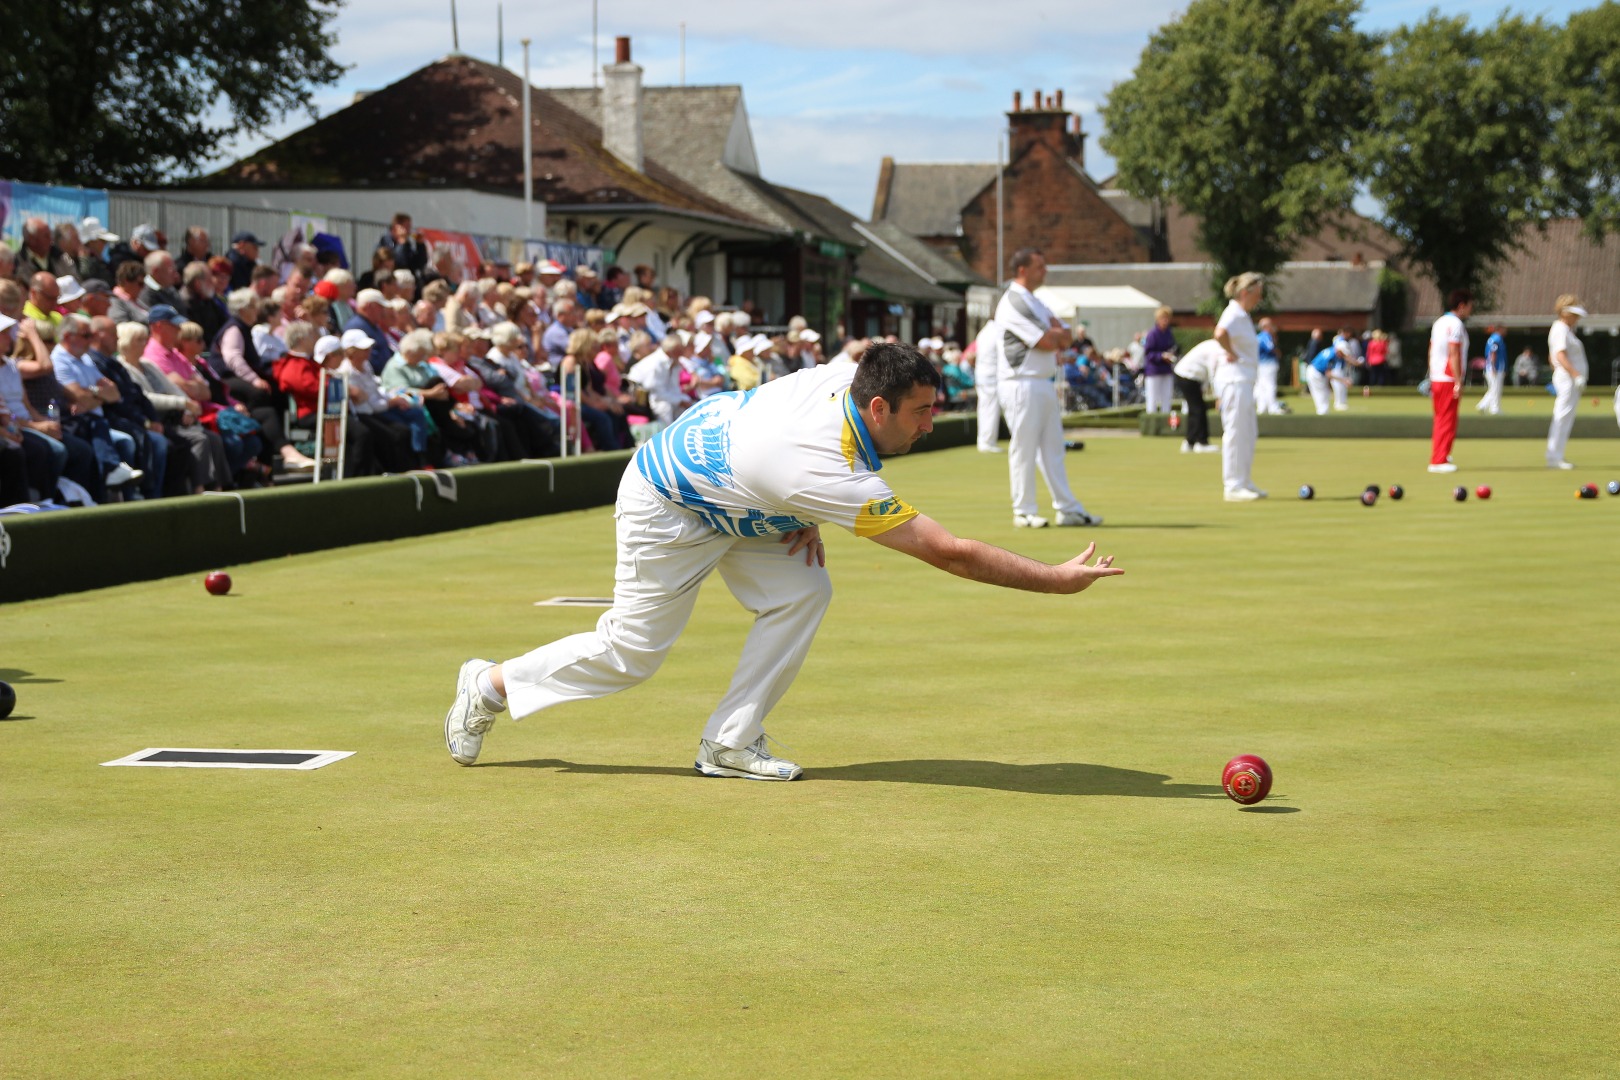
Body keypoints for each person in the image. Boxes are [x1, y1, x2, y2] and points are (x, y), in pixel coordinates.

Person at [441, 343, 1124, 774]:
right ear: (877, 404)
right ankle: (490, 685)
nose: (929, 424)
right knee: (632, 653)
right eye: (920, 412)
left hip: (741, 488)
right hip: (668, 502)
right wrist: (1057, 582)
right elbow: (949, 553)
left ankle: (730, 741)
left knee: (803, 590)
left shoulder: (842, 382)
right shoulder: (819, 468)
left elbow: (796, 462)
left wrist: (797, 510)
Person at [995, 249, 1101, 528]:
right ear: (1022, 270)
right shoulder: (1013, 302)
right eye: (1039, 266)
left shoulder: (1036, 302)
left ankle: (1067, 508)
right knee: (1024, 449)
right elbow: (1046, 339)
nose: (1045, 271)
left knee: (1053, 449)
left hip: (1042, 382)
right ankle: (1024, 511)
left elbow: (1064, 335)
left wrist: (1056, 335)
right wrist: (1054, 335)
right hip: (1021, 382)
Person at [1212, 272, 1267, 501]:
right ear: (1245, 293)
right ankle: (1232, 486)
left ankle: (1244, 481)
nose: (1259, 299)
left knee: (1248, 433)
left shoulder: (1242, 315)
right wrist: (1230, 352)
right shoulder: (1233, 312)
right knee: (1235, 432)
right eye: (1257, 294)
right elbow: (1220, 333)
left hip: (1244, 381)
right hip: (1234, 380)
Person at [1427, 289, 1472, 473]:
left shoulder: (1439, 322)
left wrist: (1430, 374)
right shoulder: (1456, 325)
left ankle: (1442, 454)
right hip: (1448, 378)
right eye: (1470, 306)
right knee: (1447, 419)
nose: (1470, 310)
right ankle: (1438, 461)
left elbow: (1431, 350)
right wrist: (1458, 381)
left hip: (1437, 376)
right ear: (1461, 306)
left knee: (1441, 418)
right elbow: (1454, 353)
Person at [1546, 295, 1588, 470]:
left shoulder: (1566, 330)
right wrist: (1576, 375)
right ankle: (1554, 457)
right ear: (1565, 313)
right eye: (1574, 314)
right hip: (1567, 379)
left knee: (1566, 417)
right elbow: (1559, 355)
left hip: (1567, 378)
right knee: (1562, 416)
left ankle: (1557, 455)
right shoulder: (1560, 329)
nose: (1577, 318)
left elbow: (1552, 356)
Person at [1172, 339, 1221, 454]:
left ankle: (1189, 442)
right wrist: (1218, 396)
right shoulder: (1216, 349)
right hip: (1187, 376)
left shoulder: (1213, 345)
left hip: (1187, 376)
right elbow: (1212, 372)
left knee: (1196, 408)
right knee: (1198, 409)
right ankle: (1201, 442)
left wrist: (1204, 388)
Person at [972, 320, 1002, 452]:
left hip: (984, 375)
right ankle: (987, 442)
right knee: (990, 408)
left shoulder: (984, 332)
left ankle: (985, 441)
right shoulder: (996, 332)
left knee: (985, 408)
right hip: (991, 375)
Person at [1140, 306, 1176, 414]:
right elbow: (1148, 353)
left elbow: (1173, 347)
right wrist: (1161, 356)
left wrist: (1171, 354)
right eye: (1163, 318)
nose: (1165, 321)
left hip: (1166, 369)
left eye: (1167, 318)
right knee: (1152, 398)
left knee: (1167, 397)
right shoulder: (1152, 334)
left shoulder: (1169, 333)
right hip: (1154, 370)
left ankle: (1165, 418)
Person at [1254, 316, 1284, 415]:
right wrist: (1278, 353)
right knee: (1270, 385)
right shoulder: (1265, 336)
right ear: (1266, 326)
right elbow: (1270, 347)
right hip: (1267, 364)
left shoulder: (1257, 336)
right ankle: (1273, 407)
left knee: (1261, 386)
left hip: (1259, 364)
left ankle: (1262, 407)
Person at [1478, 324, 1507, 416]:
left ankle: (1483, 405)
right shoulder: (1496, 339)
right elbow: (1493, 352)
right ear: (1500, 329)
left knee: (1494, 388)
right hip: (1495, 368)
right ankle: (1494, 409)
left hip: (1495, 367)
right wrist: (1493, 366)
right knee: (1495, 388)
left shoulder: (1494, 338)